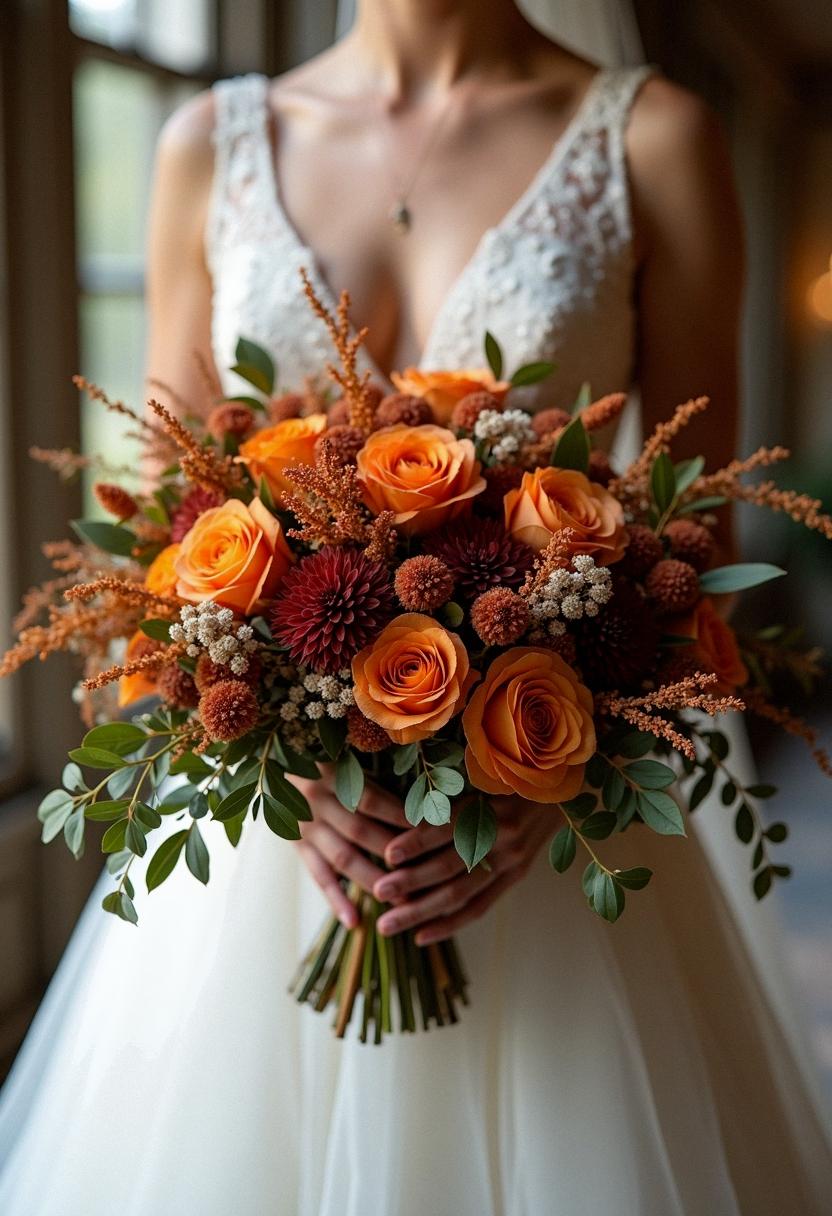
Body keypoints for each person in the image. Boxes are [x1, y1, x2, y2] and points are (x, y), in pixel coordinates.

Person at [1, 2, 830, 1212]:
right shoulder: (207, 144)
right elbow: (162, 541)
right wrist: (283, 782)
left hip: (551, 831)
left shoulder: (655, 141)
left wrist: (548, 780)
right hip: (270, 849)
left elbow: (697, 547)